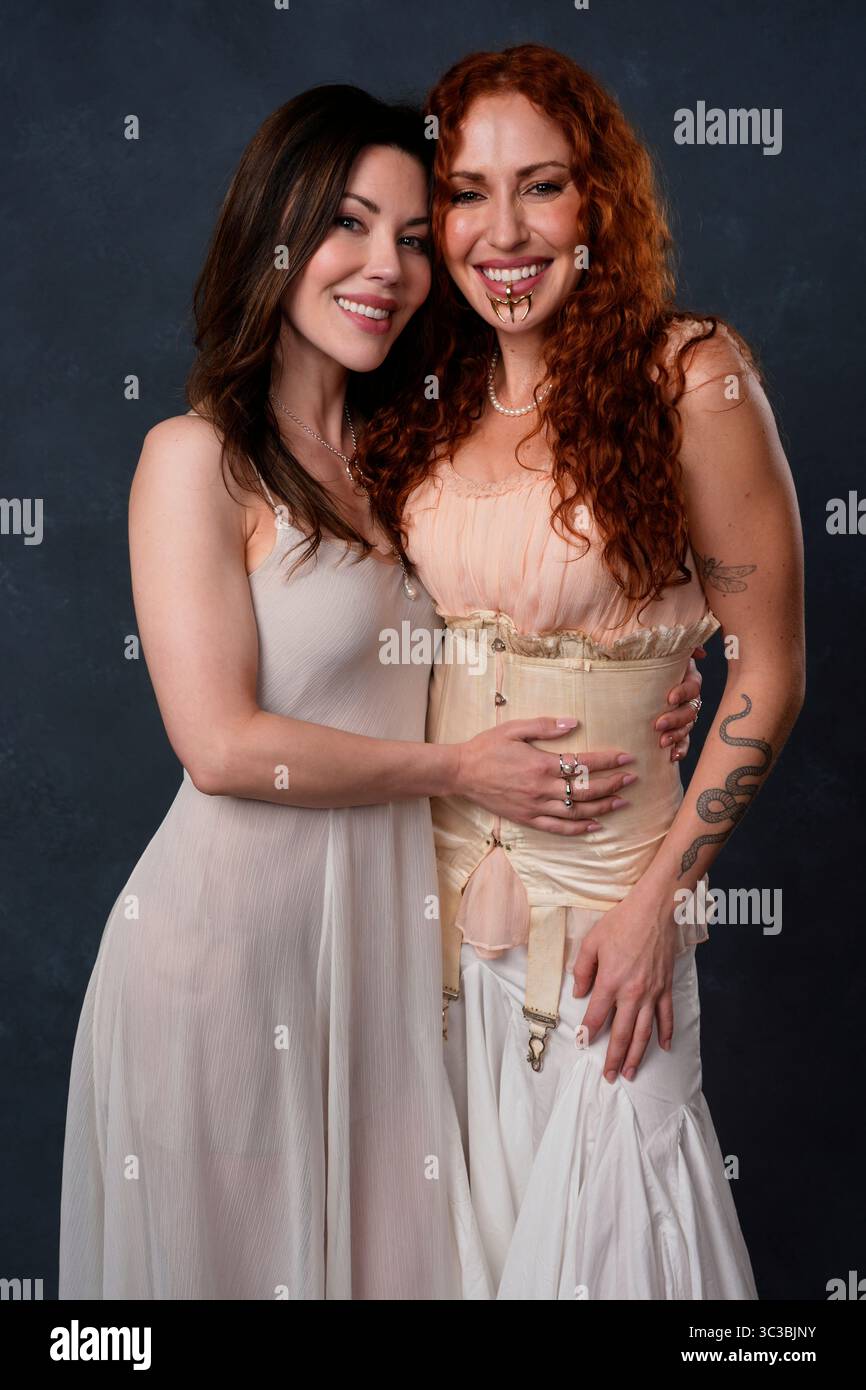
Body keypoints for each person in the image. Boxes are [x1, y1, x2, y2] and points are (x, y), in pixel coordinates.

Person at [365, 44, 805, 1299]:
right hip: (432, 919)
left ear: (595, 204)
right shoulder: (420, 398)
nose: (501, 232)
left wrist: (659, 905)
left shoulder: (688, 375)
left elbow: (766, 670)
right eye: (465, 192)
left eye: (541, 187)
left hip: (612, 908)